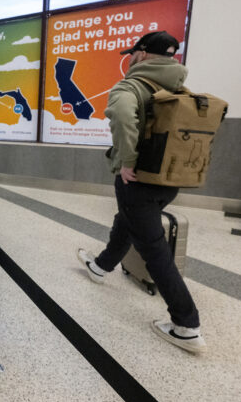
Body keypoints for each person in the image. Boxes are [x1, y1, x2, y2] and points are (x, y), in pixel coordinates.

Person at [77, 31, 206, 354]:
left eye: (134, 52)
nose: (130, 58)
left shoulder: (131, 86)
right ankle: (101, 267)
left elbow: (121, 116)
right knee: (129, 220)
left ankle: (186, 325)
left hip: (139, 179)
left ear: (144, 55)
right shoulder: (179, 88)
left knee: (154, 250)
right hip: (169, 180)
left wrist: (125, 161)